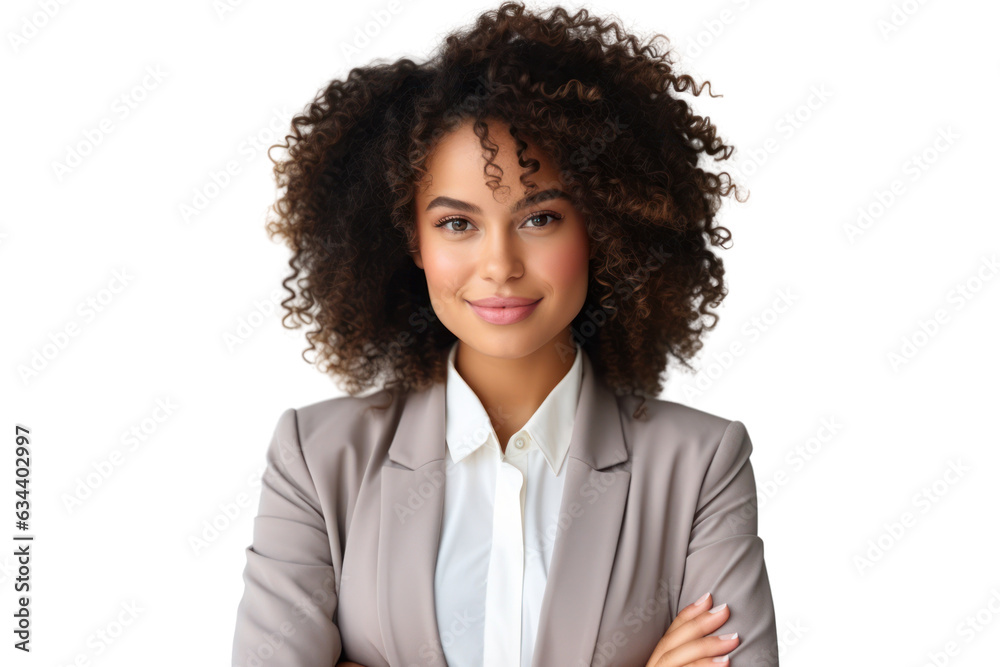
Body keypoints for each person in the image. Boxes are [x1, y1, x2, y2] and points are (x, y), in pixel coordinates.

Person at [231, 3, 778, 666]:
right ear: (412, 242)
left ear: (603, 228)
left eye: (540, 218)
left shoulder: (699, 466)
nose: (499, 266)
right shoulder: (318, 461)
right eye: (457, 224)